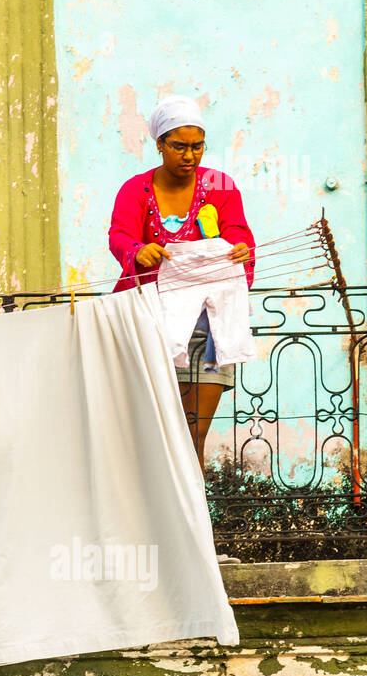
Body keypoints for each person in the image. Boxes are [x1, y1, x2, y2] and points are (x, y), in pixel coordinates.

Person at [108, 95, 256, 561]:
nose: (190, 156)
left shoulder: (221, 187)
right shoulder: (136, 190)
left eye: (198, 146)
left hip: (208, 324)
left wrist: (240, 251)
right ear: (159, 144)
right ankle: (144, 534)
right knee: (152, 428)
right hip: (152, 319)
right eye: (179, 146)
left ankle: (191, 540)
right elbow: (120, 236)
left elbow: (241, 235)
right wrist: (139, 252)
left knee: (193, 433)